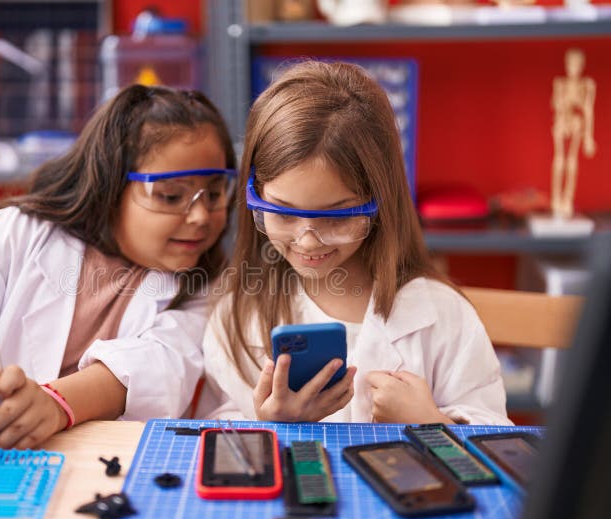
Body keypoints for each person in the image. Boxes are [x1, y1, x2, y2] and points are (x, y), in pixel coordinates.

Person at [0, 85, 237, 448]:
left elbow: (161, 364)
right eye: (171, 196)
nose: (201, 215)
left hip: (94, 461)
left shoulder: (207, 282)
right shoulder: (4, 238)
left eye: (216, 193)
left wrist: (54, 404)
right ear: (109, 184)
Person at [198, 61, 512, 426]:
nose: (308, 239)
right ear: (254, 196)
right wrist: (269, 426)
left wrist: (433, 425)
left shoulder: (441, 314)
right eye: (283, 213)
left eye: (335, 217)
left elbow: (491, 445)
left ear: (380, 202)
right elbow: (217, 439)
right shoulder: (237, 319)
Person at [551, 48, 596, 219]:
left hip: (577, 122)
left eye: (577, 64)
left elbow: (589, 111)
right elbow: (556, 105)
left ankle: (567, 198)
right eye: (570, 64)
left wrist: (589, 138)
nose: (573, 67)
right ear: (566, 65)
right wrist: (564, 102)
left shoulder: (588, 84)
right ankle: (556, 197)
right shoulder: (559, 83)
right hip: (562, 120)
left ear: (582, 65)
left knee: (572, 160)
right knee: (560, 158)